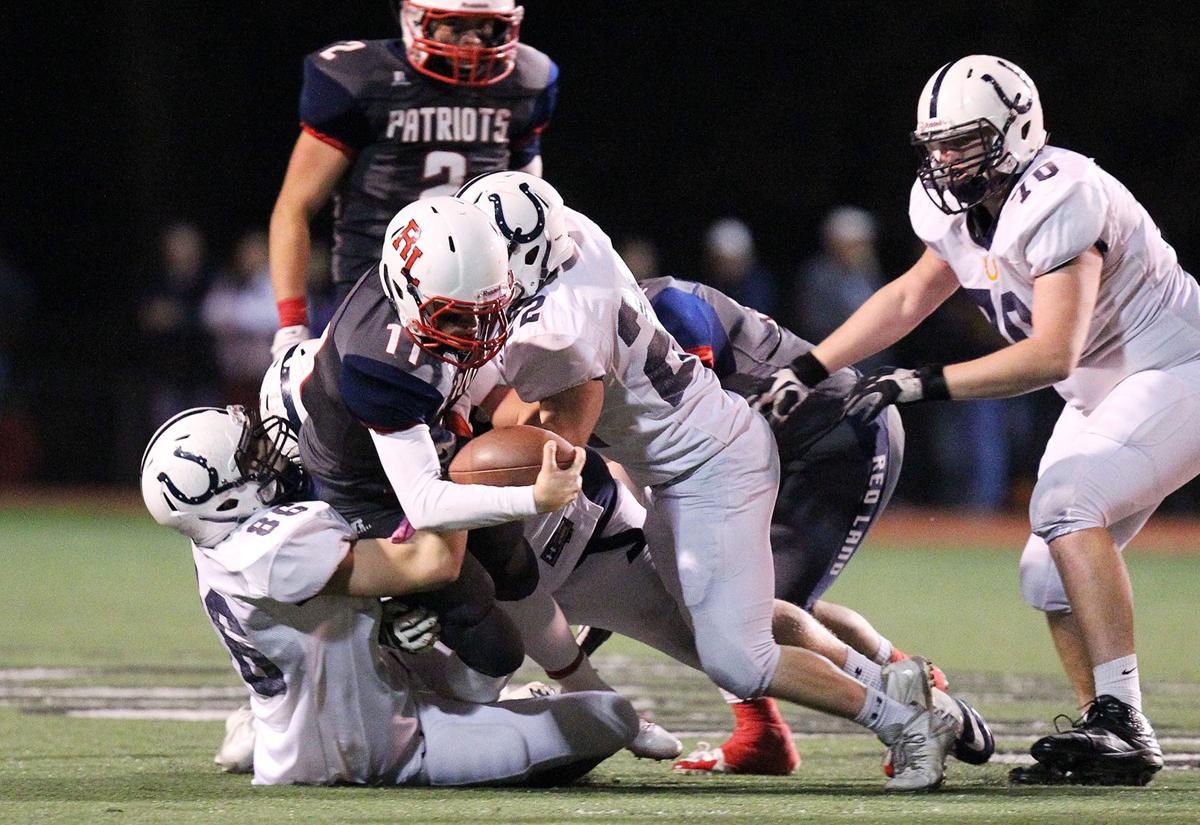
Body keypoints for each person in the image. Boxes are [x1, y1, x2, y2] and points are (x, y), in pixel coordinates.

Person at [455, 171, 972, 792]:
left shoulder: (558, 330)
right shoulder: (579, 239)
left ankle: (905, 722)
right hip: (680, 462)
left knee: (738, 659)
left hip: (710, 467)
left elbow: (558, 451)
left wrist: (475, 399)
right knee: (709, 631)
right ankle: (886, 680)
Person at [782, 55, 1198, 786]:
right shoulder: (957, 208)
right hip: (1103, 387)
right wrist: (810, 368)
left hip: (1177, 371)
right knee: (1047, 573)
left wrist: (920, 384)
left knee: (1068, 504)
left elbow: (1050, 352)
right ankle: (1112, 725)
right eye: (935, 144)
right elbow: (911, 295)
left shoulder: (1061, 193)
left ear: (1015, 131)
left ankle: (1122, 725)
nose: (943, 160)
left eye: (961, 142)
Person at [140, 405, 637, 786]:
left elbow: (320, 608)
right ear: (226, 498)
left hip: (343, 700)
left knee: (476, 645)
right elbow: (430, 562)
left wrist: (385, 617)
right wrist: (445, 473)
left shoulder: (218, 542)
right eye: (251, 458)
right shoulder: (276, 545)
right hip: (364, 750)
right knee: (611, 719)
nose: (270, 454)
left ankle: (262, 732)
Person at [639, 276, 990, 776]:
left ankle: (913, 704)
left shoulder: (665, 313)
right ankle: (894, 677)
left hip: (839, 439)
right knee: (730, 598)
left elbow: (692, 432)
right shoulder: (607, 329)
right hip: (773, 454)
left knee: (739, 610)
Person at [298, 196, 584, 684]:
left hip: (425, 446)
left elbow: (478, 381)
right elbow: (426, 502)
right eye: (456, 318)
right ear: (404, 295)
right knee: (492, 645)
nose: (476, 332)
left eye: (484, 311)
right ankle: (381, 626)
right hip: (369, 488)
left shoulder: (429, 292)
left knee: (514, 568)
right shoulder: (380, 366)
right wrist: (533, 496)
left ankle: (578, 678)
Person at [269, 0, 558, 354]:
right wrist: (291, 326)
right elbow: (294, 207)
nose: (473, 42)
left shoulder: (525, 80)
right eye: (454, 24)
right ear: (414, 18)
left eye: (485, 26)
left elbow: (532, 207)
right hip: (380, 293)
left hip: (484, 301)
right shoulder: (362, 79)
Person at [699, 218, 778, 317]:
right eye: (719, 261)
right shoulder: (703, 288)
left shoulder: (758, 290)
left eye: (730, 261)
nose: (725, 268)